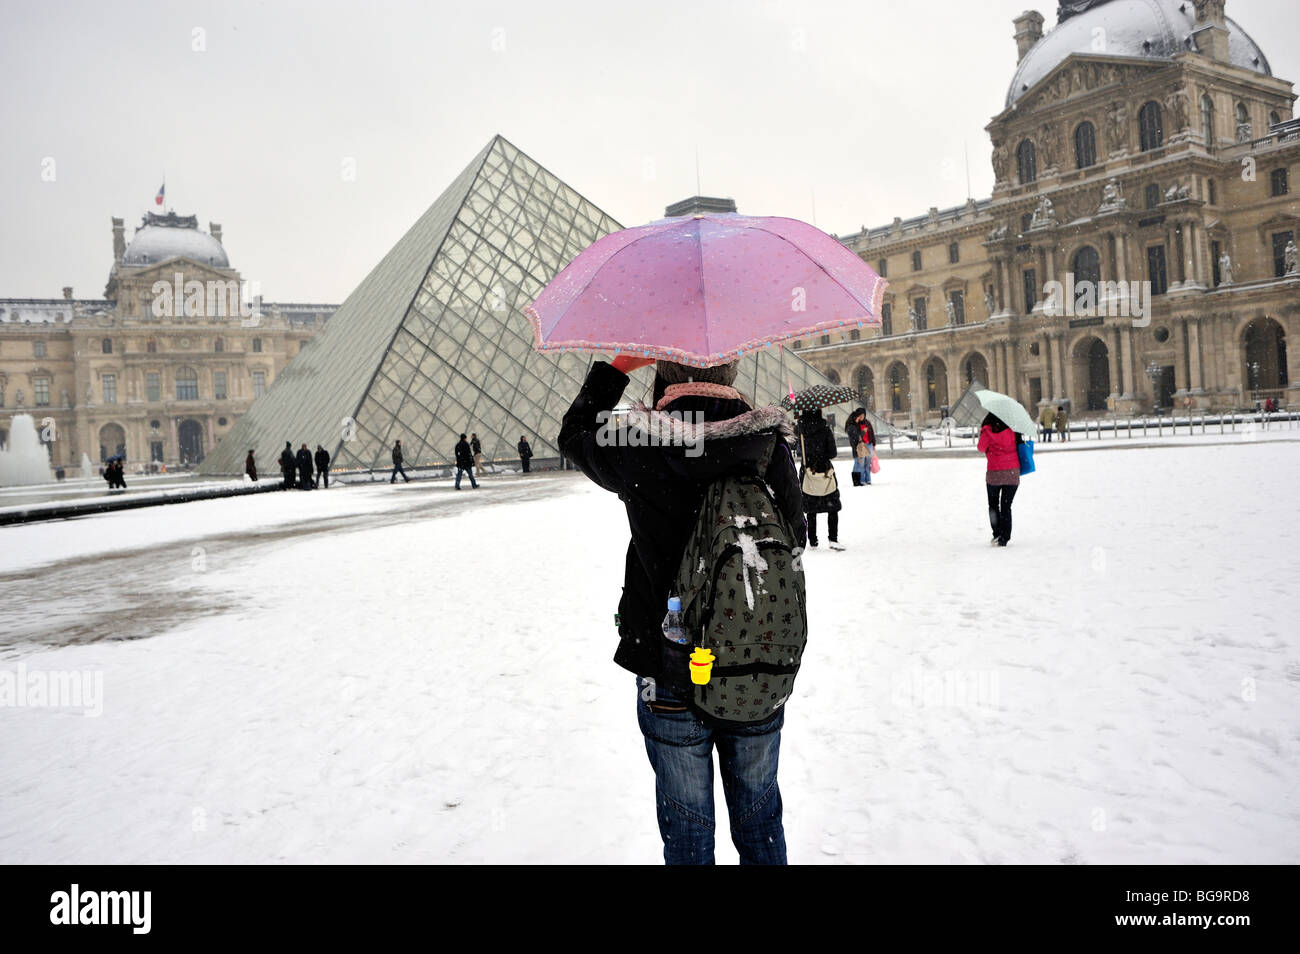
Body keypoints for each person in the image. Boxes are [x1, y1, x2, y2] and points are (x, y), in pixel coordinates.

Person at [559, 354, 805, 865]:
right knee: (760, 824)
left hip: (667, 663)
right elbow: (794, 540)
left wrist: (617, 368)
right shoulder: (764, 443)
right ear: (731, 371)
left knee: (688, 836)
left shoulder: (636, 441)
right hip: (752, 661)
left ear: (667, 373)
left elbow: (574, 434)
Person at [796, 407, 842, 549]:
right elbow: (832, 453)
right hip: (825, 471)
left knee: (811, 509)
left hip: (809, 473)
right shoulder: (825, 430)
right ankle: (833, 539)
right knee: (832, 507)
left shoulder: (801, 432)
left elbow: (799, 453)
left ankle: (813, 540)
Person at [978, 412, 1021, 547]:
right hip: (1012, 472)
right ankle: (1005, 536)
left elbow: (980, 448)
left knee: (993, 505)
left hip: (995, 473)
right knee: (1006, 506)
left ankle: (997, 533)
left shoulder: (988, 431)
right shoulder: (1013, 430)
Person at [845, 407, 874, 486]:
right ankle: (857, 481)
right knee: (858, 464)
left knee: (858, 464)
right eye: (858, 417)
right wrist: (863, 432)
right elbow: (857, 437)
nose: (859, 419)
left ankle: (857, 481)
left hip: (857, 447)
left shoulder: (853, 426)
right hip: (857, 447)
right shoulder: (851, 427)